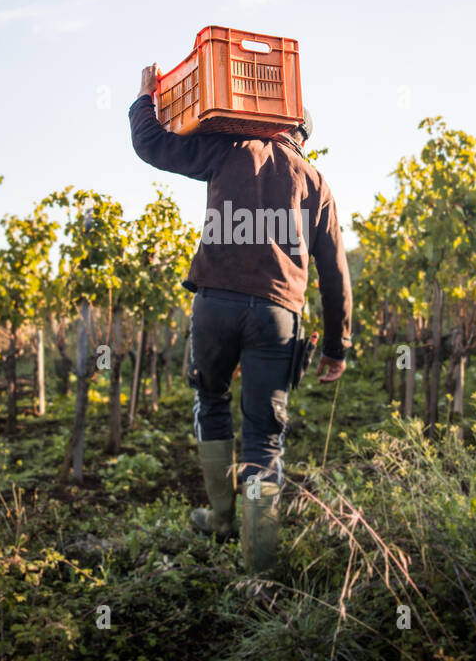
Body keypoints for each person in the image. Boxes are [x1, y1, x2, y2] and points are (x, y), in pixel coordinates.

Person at [128, 63, 351, 576]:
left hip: (216, 305)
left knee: (211, 398)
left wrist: (145, 98)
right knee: (264, 435)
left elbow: (153, 146)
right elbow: (334, 273)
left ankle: (222, 518)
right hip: (278, 315)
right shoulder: (315, 182)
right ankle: (259, 570)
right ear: (301, 136)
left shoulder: (230, 150)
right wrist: (336, 347)